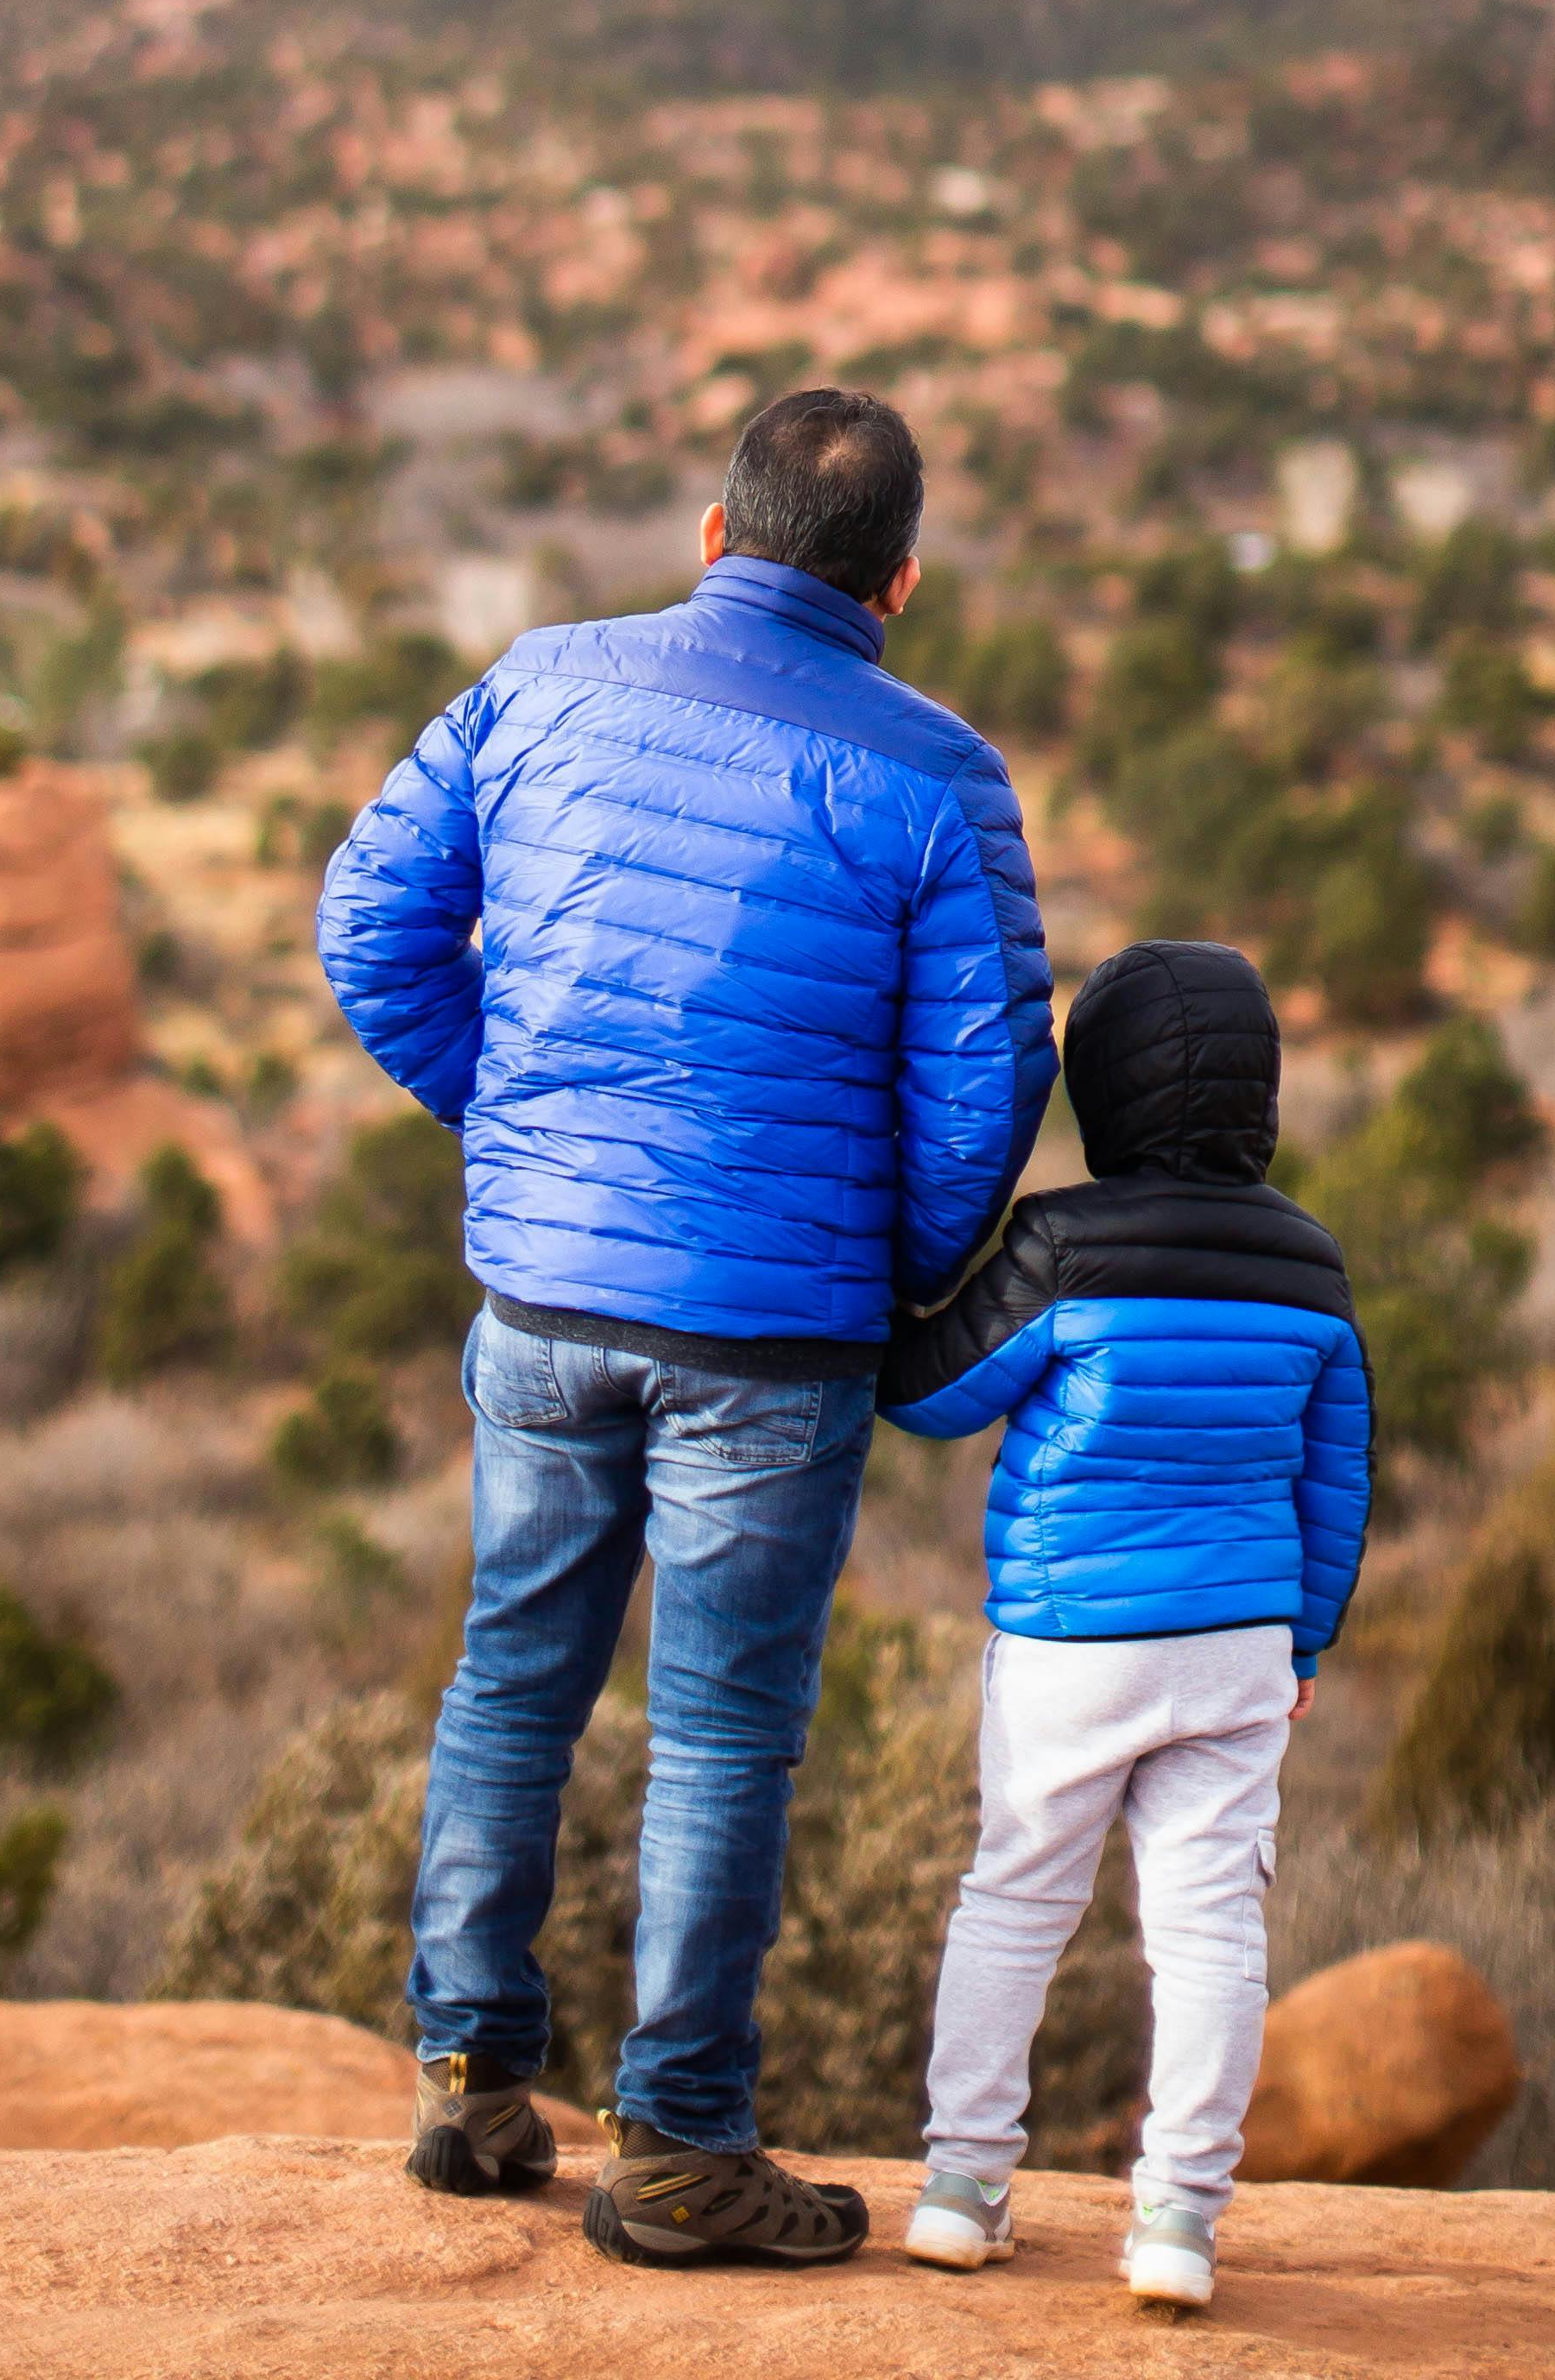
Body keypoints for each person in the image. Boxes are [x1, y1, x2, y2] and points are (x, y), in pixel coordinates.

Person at [317, 383, 1056, 2272]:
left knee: (511, 1680)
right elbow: (985, 1094)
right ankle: (681, 2150)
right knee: (724, 1737)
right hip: (776, 1334)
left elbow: (368, 929)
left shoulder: (537, 683)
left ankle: (471, 2084)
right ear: (900, 581)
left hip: (545, 1299)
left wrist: (519, 1122)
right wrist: (872, 1260)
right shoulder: (941, 774)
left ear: (715, 536)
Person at [877, 937, 1371, 2313]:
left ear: (1099, 1085)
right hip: (1238, 1649)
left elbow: (930, 1393)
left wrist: (874, 1282)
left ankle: (965, 2189)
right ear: (1258, 1091)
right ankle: (1179, 2222)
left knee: (1017, 1899)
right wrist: (1307, 1645)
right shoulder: (1312, 1267)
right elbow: (1339, 1477)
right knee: (1210, 1929)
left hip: (1068, 1637)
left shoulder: (1064, 1243)